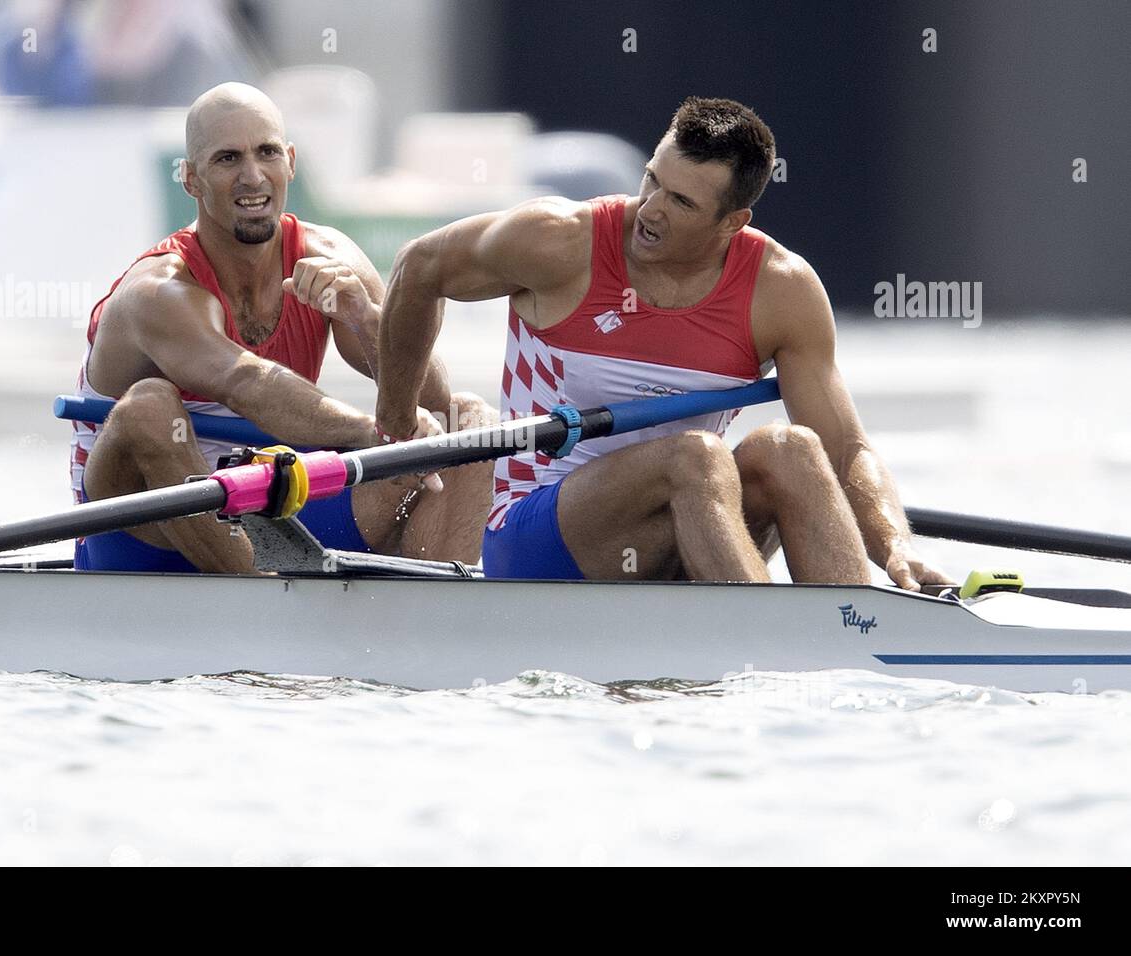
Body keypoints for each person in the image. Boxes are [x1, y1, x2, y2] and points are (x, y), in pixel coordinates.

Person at [374, 96, 951, 589]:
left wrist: (895, 542)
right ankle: (766, 633)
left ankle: (855, 630)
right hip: (536, 535)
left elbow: (845, 447)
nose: (650, 210)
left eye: (682, 202)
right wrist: (396, 419)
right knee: (696, 455)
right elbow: (418, 267)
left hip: (685, 524)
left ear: (733, 221)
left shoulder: (781, 290)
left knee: (791, 449)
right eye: (653, 179)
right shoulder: (559, 243)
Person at [69, 82, 493, 573]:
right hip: (149, 526)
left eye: (266, 152)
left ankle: (429, 622)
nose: (253, 177)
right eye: (227, 159)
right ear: (191, 181)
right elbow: (247, 382)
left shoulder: (329, 256)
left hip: (278, 502)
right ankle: (261, 599)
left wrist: (366, 317)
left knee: (468, 420)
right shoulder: (158, 290)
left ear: (290, 161)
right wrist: (374, 432)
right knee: (148, 407)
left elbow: (432, 398)